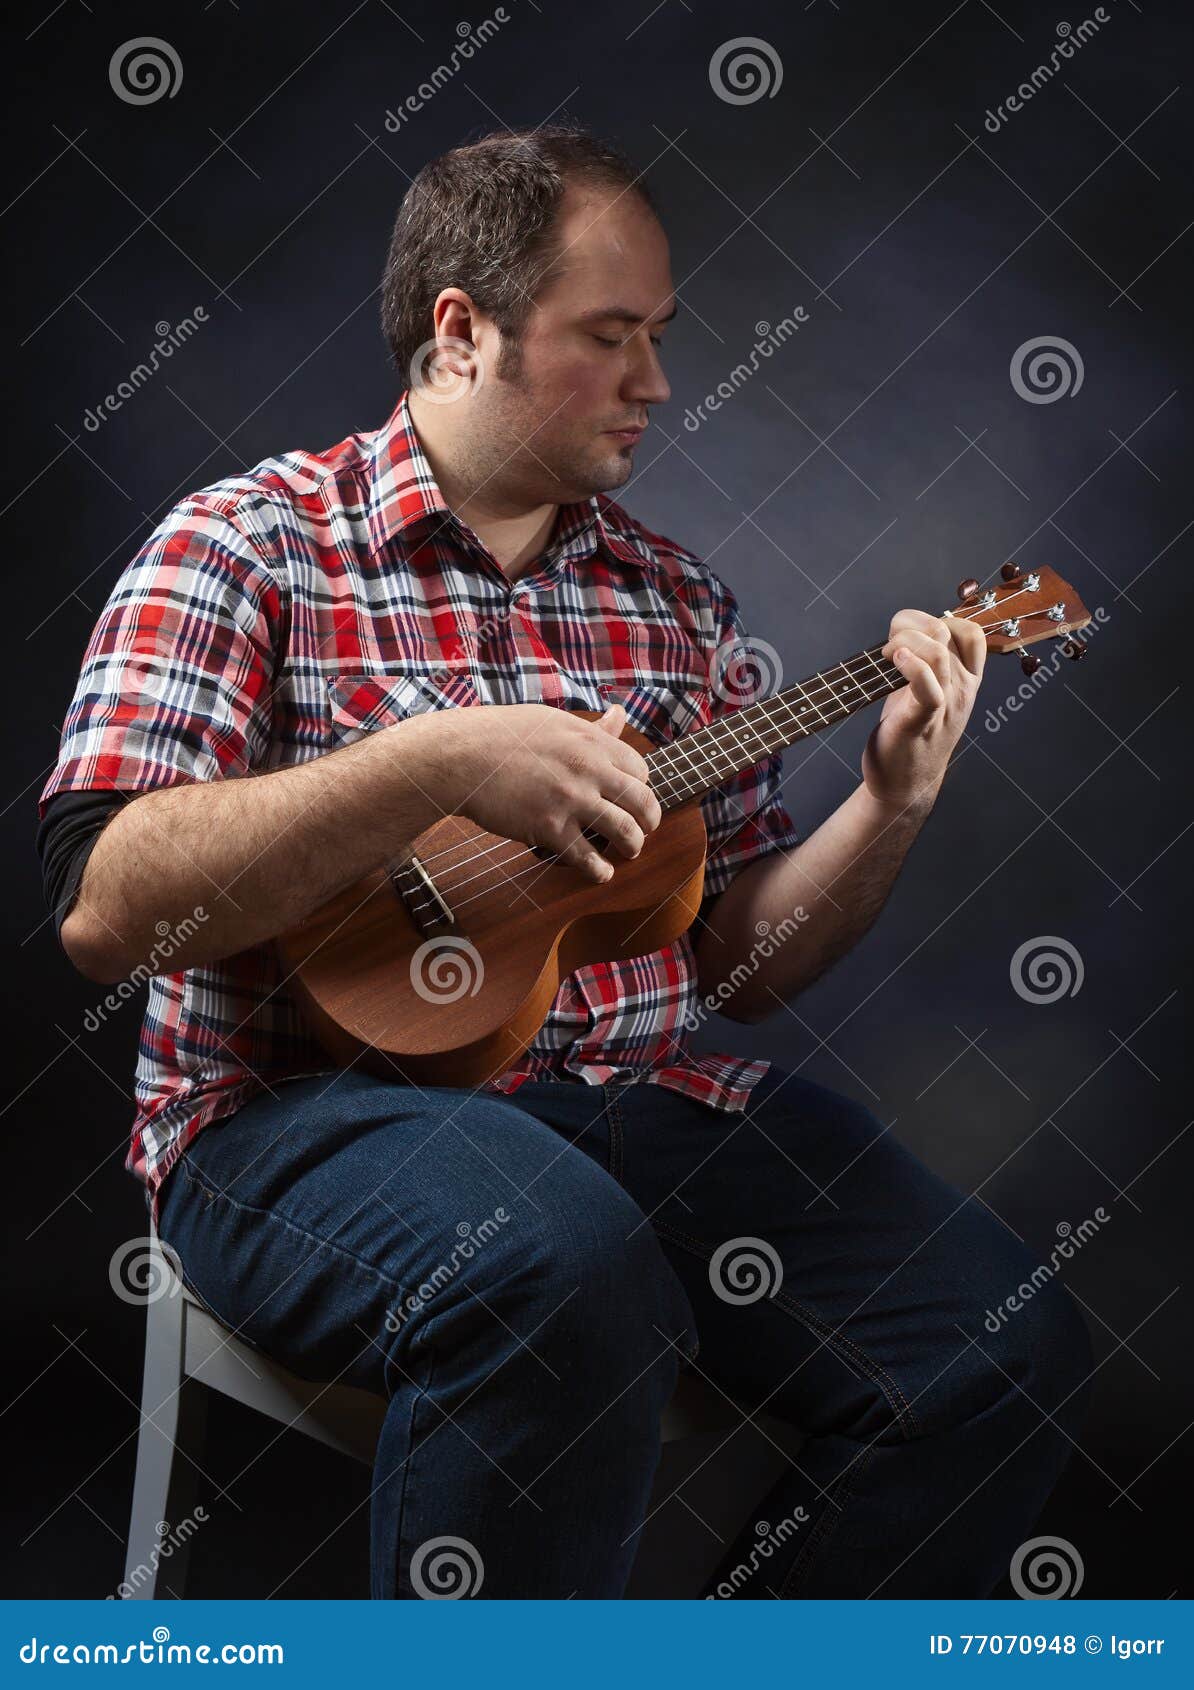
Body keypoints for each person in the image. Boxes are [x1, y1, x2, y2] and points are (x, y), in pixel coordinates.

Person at [37, 124, 1091, 1599]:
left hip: (623, 1111)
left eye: (658, 336)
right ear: (461, 331)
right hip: (300, 1118)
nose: (657, 382)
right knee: (563, 1266)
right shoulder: (243, 546)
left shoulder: (672, 600)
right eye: (611, 337)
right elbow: (106, 908)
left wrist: (888, 805)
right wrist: (435, 761)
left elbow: (739, 965)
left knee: (1006, 1331)